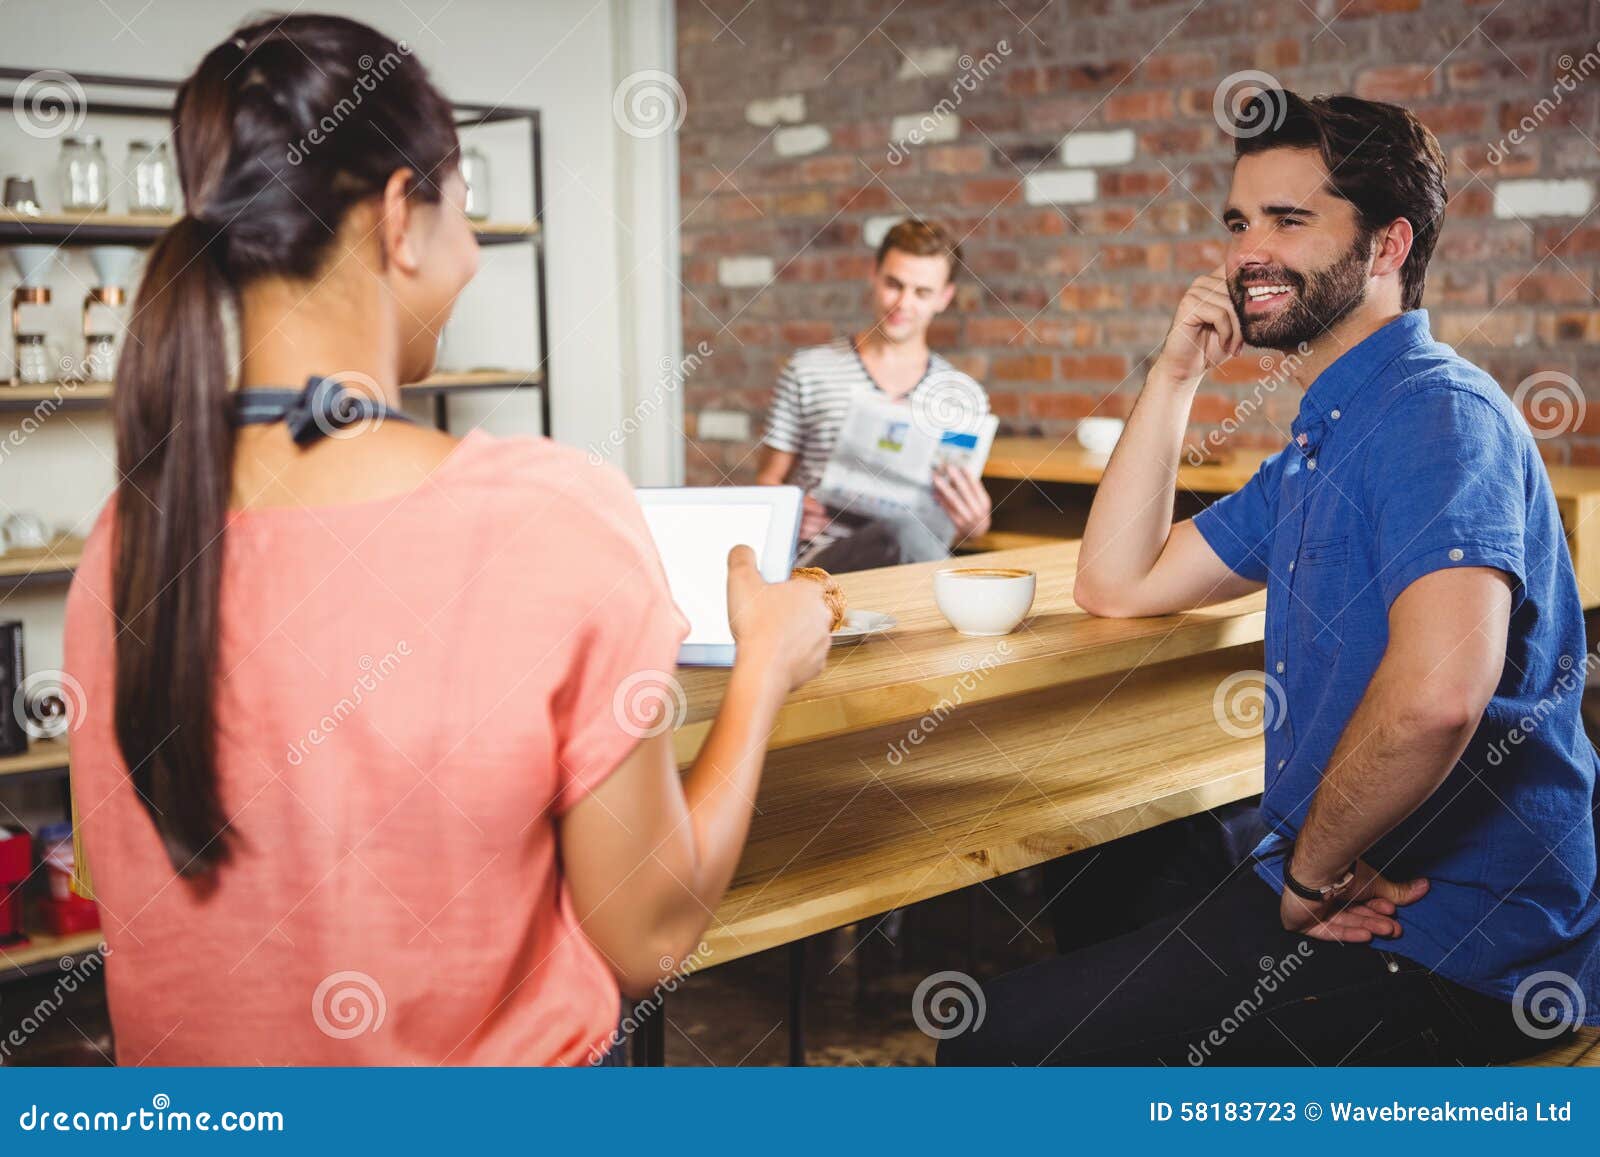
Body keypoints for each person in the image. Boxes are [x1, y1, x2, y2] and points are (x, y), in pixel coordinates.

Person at [63, 14, 830, 1066]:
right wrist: (766, 667)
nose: (470, 257)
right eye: (464, 210)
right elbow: (649, 931)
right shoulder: (551, 512)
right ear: (400, 219)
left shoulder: (129, 534)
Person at [940, 90, 1600, 1065]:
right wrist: (1172, 375)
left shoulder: (1435, 416)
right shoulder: (1319, 440)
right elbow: (1116, 580)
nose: (1249, 249)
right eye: (1240, 221)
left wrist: (1312, 868)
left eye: (1289, 220)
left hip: (1453, 948)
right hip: (1347, 878)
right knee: (1107, 872)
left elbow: (1435, 700)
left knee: (985, 1041)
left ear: (1385, 246)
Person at [756, 218, 993, 572]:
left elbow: (958, 520)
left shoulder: (960, 396)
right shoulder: (809, 371)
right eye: (893, 285)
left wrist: (977, 523)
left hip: (913, 566)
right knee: (911, 538)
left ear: (944, 298)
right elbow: (767, 481)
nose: (903, 303)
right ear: (874, 275)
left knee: (913, 534)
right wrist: (788, 509)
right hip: (823, 563)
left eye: (922, 292)